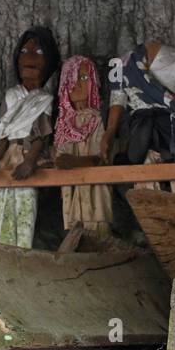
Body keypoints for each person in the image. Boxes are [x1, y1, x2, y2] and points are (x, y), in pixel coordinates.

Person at [0, 27, 58, 248]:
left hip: (29, 154)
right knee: (4, 201)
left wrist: (30, 161)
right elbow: (3, 133)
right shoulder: (12, 95)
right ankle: (1, 246)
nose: (30, 57)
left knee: (26, 201)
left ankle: (22, 248)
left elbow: (41, 133)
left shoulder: (46, 99)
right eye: (24, 51)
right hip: (9, 154)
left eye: (38, 53)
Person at [101, 40, 175, 194]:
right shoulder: (121, 63)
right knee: (146, 175)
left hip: (173, 126)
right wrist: (109, 131)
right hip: (140, 128)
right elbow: (117, 100)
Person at [52, 55, 112, 244]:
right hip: (72, 191)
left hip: (95, 193)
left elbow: (100, 158)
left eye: (84, 78)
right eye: (72, 77)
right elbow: (59, 155)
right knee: (75, 236)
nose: (77, 84)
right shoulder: (62, 124)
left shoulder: (97, 119)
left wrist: (72, 161)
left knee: (98, 234)